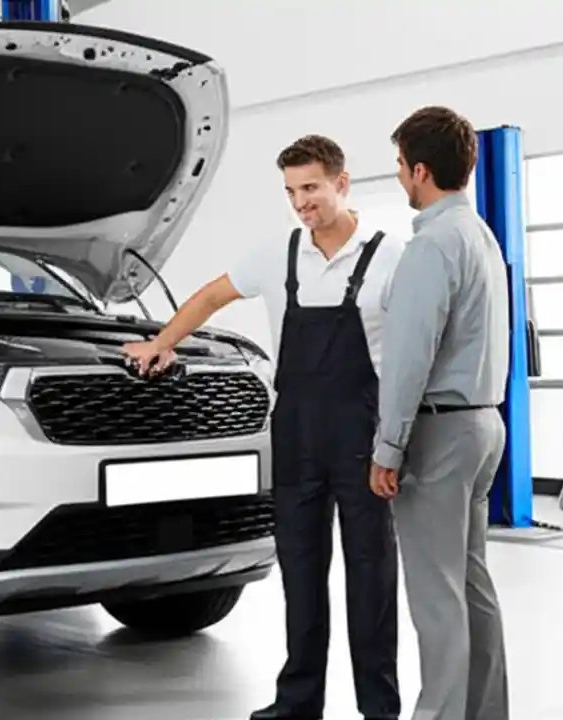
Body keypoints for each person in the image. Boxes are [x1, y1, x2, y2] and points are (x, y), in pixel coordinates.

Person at [123, 134, 404, 720]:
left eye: (311, 188)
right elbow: (211, 297)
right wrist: (160, 342)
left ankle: (379, 708)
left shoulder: (389, 255)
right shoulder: (278, 255)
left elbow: (413, 350)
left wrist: (399, 440)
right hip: (296, 436)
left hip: (363, 436)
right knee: (300, 574)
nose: (301, 202)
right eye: (291, 191)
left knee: (371, 578)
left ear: (341, 183)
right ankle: (298, 702)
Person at [369, 106, 511, 720]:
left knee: (436, 594)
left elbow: (407, 357)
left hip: (439, 431)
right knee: (471, 581)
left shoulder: (432, 245)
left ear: (420, 170)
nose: (401, 178)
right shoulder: (480, 235)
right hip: (484, 424)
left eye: (400, 167)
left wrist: (387, 448)